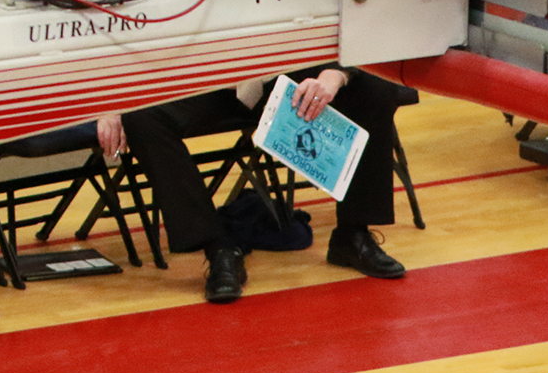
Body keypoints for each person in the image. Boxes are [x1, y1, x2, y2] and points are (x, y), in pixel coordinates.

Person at [95, 65, 407, 305]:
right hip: (207, 82)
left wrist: (335, 73)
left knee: (376, 87)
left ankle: (352, 235)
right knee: (141, 118)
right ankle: (219, 248)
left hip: (284, 76)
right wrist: (113, 102)